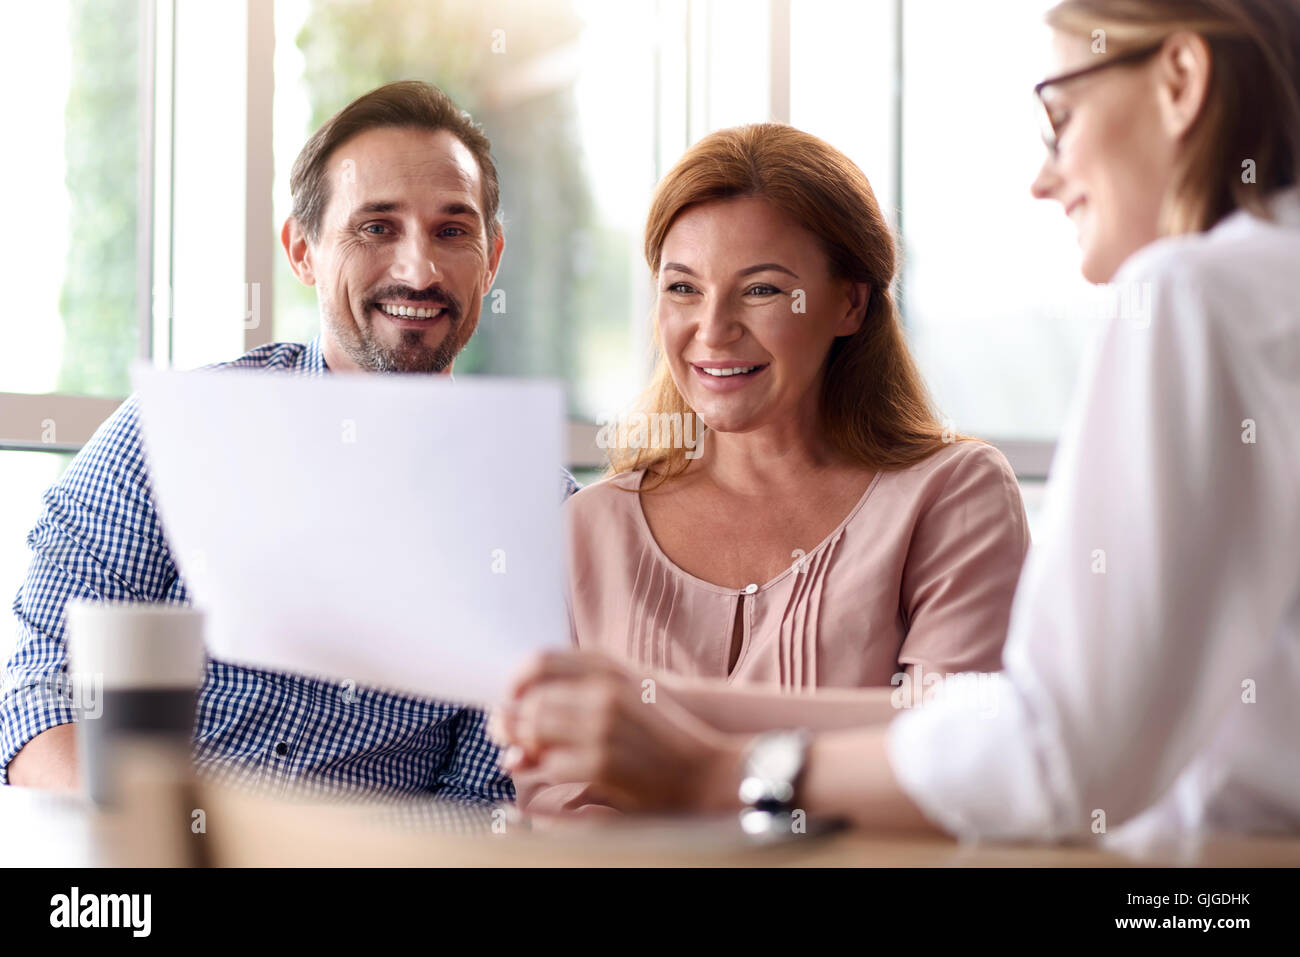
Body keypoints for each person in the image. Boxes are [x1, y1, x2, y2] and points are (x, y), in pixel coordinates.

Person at [494, 0, 1300, 844]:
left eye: (1059, 117)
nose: (1043, 175)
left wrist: (710, 768)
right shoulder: (589, 524)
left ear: (1180, 80)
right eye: (681, 286)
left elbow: (1057, 750)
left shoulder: (1190, 295)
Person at [1, 80, 575, 808]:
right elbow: (41, 696)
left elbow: (482, 803)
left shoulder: (540, 519)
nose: (419, 270)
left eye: (452, 231)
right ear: (302, 250)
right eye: (377, 227)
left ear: (491, 259)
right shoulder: (175, 433)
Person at [516, 124, 1031, 812]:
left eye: (760, 290)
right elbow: (553, 799)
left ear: (850, 302)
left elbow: (962, 757)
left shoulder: (954, 494)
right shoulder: (587, 527)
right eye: (682, 288)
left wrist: (657, 713)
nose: (713, 327)